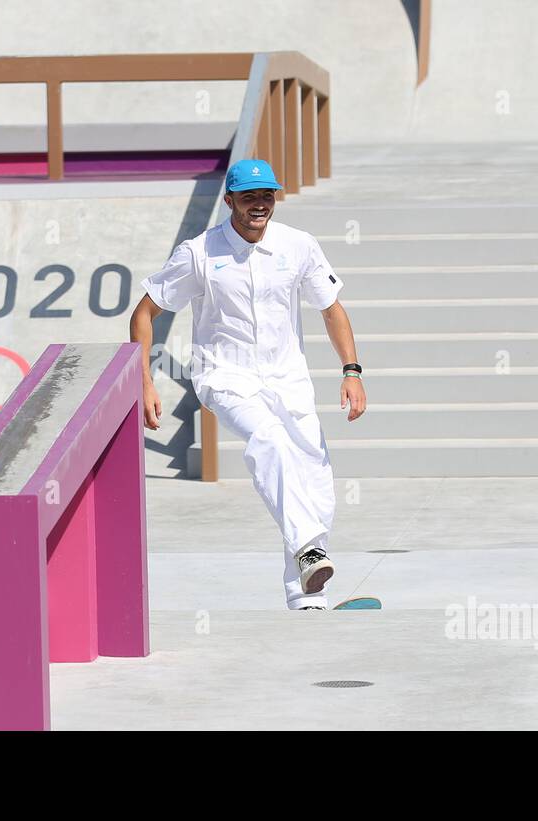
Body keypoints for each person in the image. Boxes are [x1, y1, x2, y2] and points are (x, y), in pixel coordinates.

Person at [130, 158, 367, 610]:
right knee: (270, 441)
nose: (259, 205)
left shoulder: (298, 246)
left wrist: (351, 371)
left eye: (266, 196)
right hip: (225, 375)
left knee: (314, 479)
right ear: (230, 201)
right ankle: (309, 552)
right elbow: (144, 314)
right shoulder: (199, 253)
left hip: (288, 378)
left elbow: (331, 308)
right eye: (248, 197)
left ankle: (305, 596)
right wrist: (143, 382)